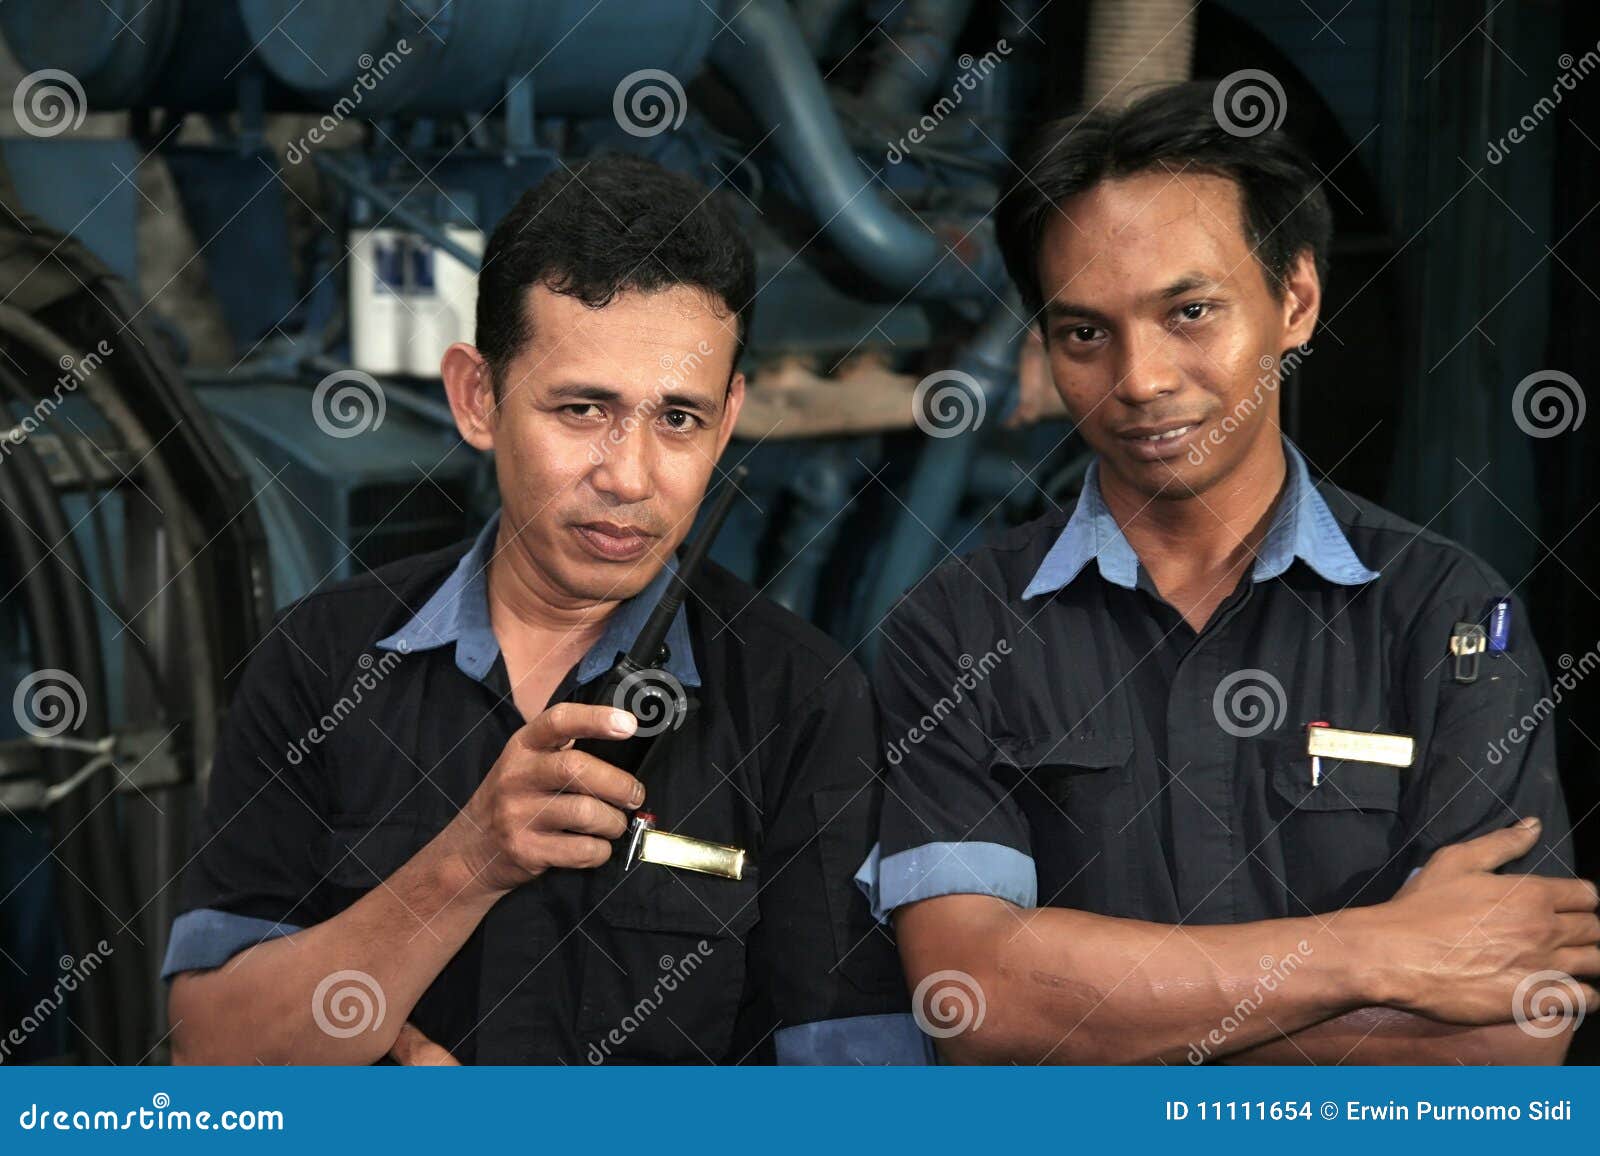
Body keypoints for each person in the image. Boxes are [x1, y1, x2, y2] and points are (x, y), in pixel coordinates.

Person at [859, 83, 1598, 1064]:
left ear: (1294, 300)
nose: (1141, 379)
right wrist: (1372, 953)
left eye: (1190, 312)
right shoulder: (954, 627)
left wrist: (1108, 1012)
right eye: (1086, 333)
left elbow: (1504, 1038)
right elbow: (977, 1002)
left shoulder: (1449, 616)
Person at [163, 154, 923, 1065]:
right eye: (581, 409)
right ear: (477, 397)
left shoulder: (801, 701)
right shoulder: (323, 660)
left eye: (677, 419)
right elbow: (215, 1054)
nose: (630, 477)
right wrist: (467, 862)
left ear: (727, 423)